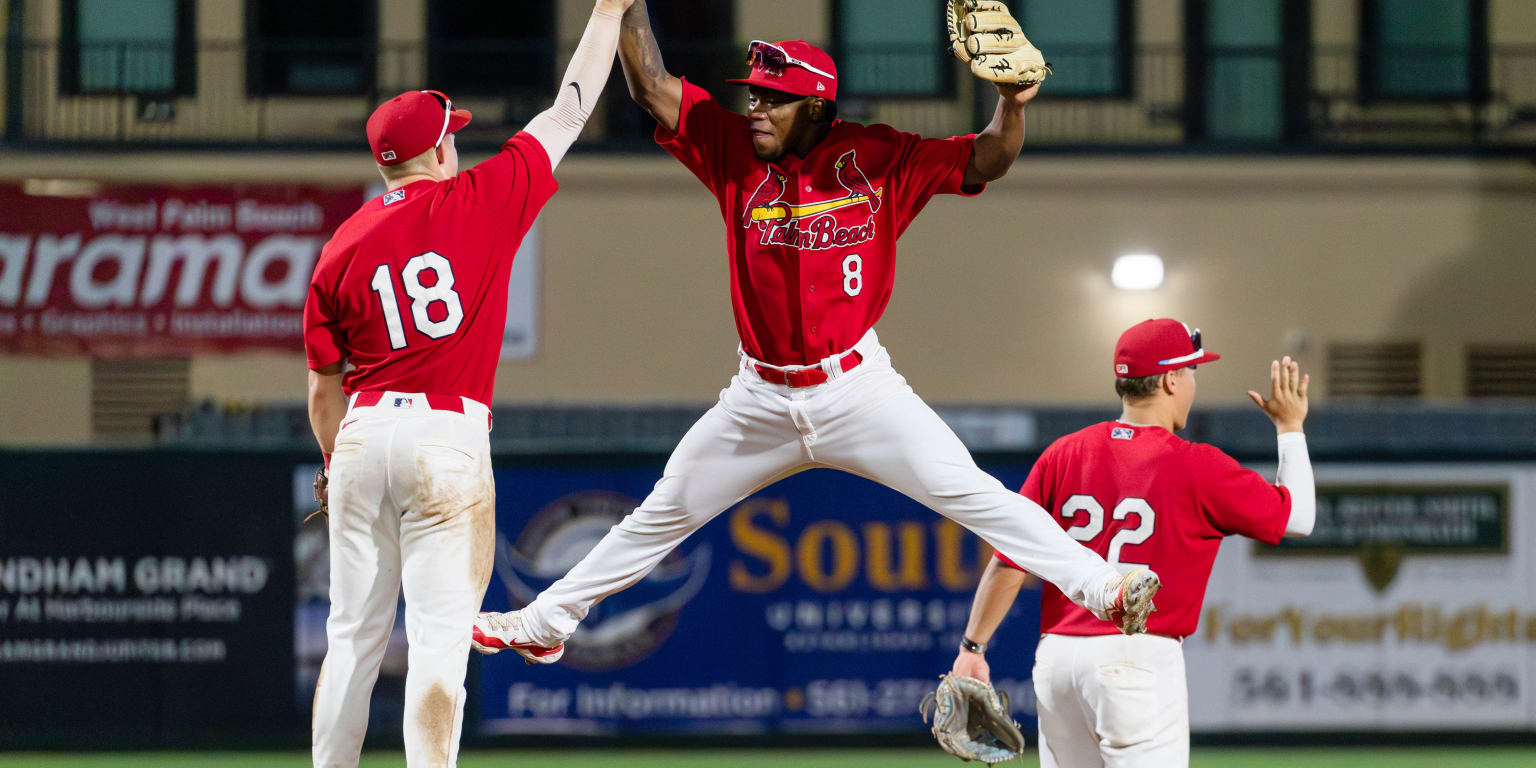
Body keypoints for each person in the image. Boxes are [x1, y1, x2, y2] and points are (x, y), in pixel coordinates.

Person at [471, 1, 1159, 664]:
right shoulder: (731, 147)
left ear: (819, 109)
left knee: (974, 494)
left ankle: (1103, 585)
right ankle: (545, 621)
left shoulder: (882, 155)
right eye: (755, 95)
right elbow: (651, 86)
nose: (757, 109)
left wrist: (1011, 106)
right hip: (759, 399)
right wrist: (626, 6)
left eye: (775, 99)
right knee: (663, 511)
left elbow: (987, 160)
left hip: (858, 391)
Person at [301, 1, 633, 764]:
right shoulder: (481, 198)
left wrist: (330, 463)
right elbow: (571, 107)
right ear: (440, 151)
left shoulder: (340, 247)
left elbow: (325, 392)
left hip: (360, 436)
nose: (459, 142)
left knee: (350, 641)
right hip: (444, 441)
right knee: (439, 642)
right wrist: (609, 11)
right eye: (453, 133)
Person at [946, 319, 1316, 767]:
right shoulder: (1196, 465)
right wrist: (1291, 428)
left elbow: (1009, 562)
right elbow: (1298, 518)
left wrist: (972, 648)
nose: (1193, 384)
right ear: (1169, 379)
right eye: (1192, 372)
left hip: (1057, 660)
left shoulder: (1064, 453)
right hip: (1135, 654)